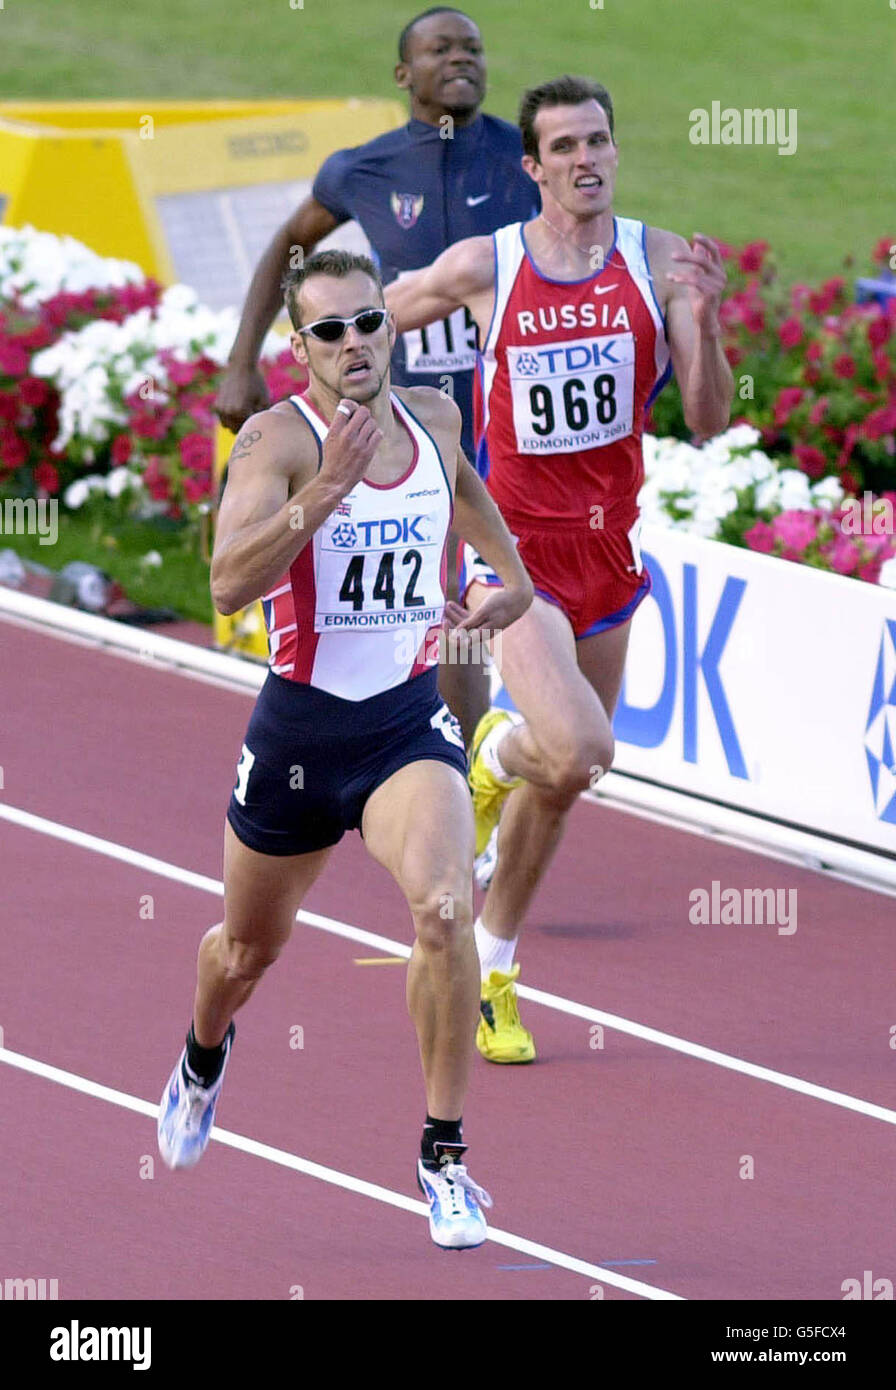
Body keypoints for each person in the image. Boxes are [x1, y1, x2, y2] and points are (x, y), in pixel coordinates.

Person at [157, 250, 533, 1250]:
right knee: (244, 953)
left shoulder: (434, 419)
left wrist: (513, 581)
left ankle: (442, 1155)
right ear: (301, 347)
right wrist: (320, 492)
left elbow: (472, 510)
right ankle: (201, 1058)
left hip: (404, 724)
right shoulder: (276, 441)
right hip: (298, 735)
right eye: (330, 331)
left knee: (445, 912)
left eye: (369, 322)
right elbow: (228, 586)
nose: (355, 343)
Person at [385, 75, 733, 1064]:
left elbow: (705, 422)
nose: (585, 159)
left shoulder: (657, 261)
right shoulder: (483, 265)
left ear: (614, 153)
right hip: (513, 561)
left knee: (564, 784)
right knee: (578, 749)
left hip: (607, 556)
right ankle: (495, 752)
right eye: (564, 147)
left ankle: (492, 963)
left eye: (598, 142)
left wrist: (698, 326)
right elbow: (359, 332)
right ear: (532, 167)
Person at [215, 6, 540, 745]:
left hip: (489, 414)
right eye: (441, 49)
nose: (462, 60)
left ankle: (456, 776)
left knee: (459, 596)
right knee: (434, 594)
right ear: (405, 75)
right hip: (398, 416)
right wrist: (242, 360)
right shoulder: (362, 168)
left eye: (474, 49)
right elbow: (288, 250)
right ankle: (427, 759)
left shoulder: (522, 158)